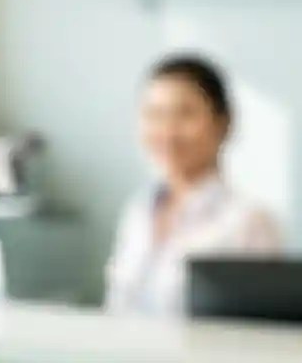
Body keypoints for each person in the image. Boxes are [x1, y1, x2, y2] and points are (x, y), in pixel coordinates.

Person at [105, 54, 281, 317]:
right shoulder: (138, 210)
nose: (167, 132)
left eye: (185, 114)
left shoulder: (249, 221)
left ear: (224, 123)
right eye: (154, 115)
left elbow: (263, 330)